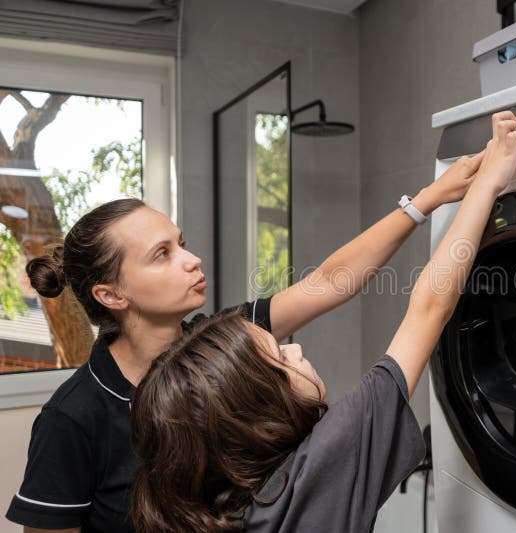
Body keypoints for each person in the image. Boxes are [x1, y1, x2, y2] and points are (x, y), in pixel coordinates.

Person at [5, 145, 486, 532]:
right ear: (111, 294)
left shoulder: (224, 344)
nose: (191, 260)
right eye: (162, 254)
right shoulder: (72, 417)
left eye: (183, 244)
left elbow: (331, 282)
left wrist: (425, 200)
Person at [130, 111, 516, 532]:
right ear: (258, 418)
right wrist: (489, 182)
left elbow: (331, 281)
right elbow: (429, 307)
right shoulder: (321, 468)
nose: (295, 347)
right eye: (280, 354)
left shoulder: (224, 505)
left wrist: (429, 197)